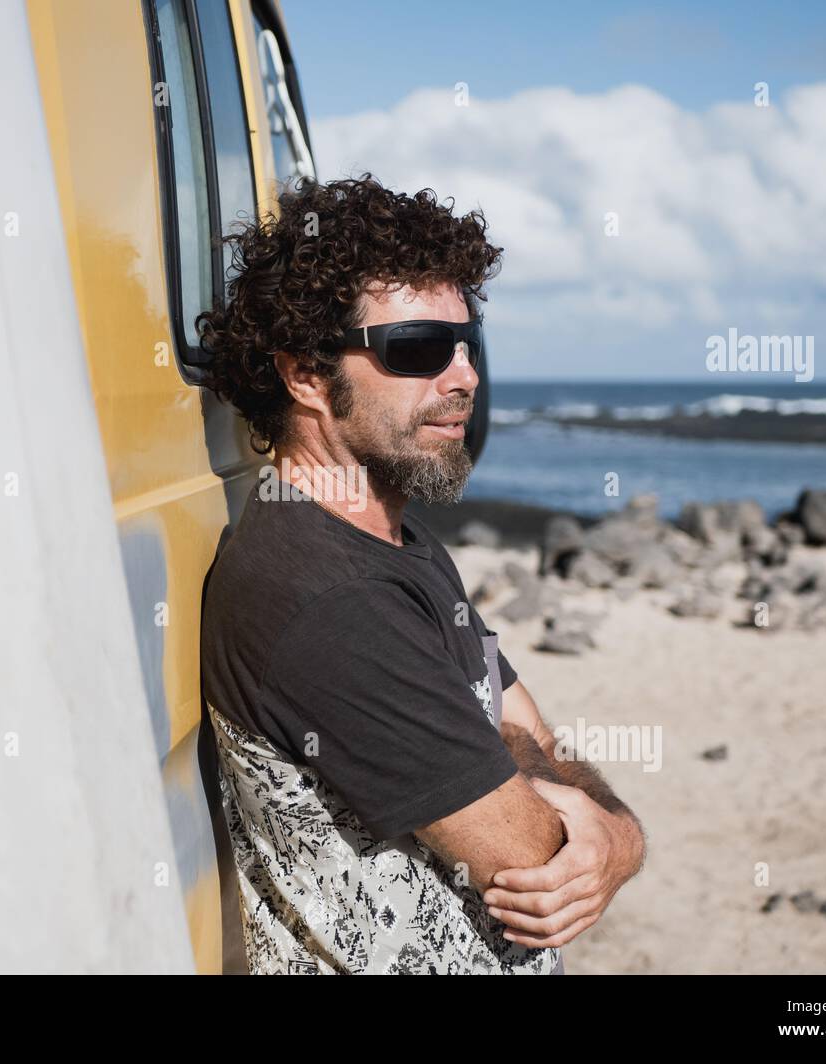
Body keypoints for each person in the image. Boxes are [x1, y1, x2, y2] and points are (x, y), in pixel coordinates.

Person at [197, 174, 645, 975]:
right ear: (304, 375)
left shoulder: (400, 545)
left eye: (467, 343)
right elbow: (533, 852)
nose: (464, 378)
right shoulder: (325, 596)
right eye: (417, 350)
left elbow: (530, 732)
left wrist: (606, 830)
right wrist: (606, 827)